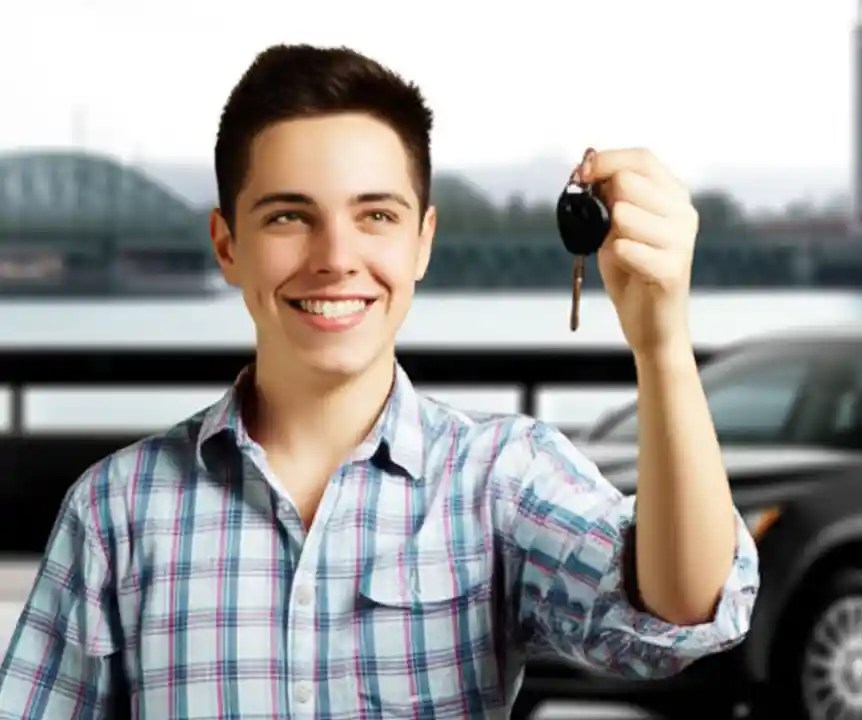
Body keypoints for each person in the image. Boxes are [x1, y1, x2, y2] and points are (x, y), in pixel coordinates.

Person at [0, 43, 759, 718]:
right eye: (289, 217)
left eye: (376, 216)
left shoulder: (499, 479)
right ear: (227, 245)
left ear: (422, 242)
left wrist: (661, 343)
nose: (335, 256)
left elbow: (684, 610)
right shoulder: (115, 512)